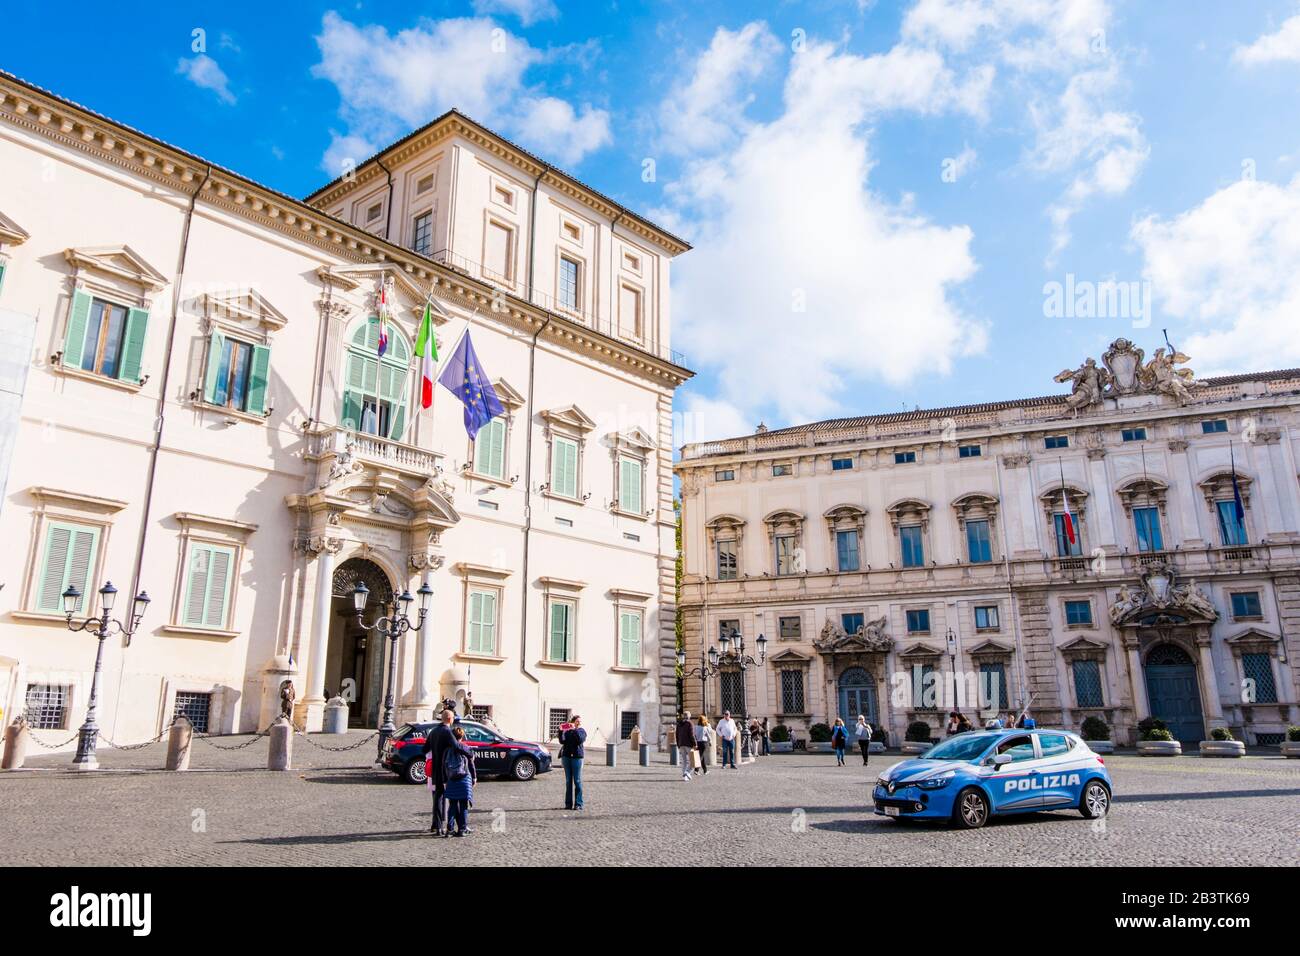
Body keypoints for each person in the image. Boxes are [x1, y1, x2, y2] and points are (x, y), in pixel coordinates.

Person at [420, 709, 457, 836]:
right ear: (450, 719)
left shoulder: (434, 731)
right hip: (445, 768)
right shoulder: (447, 731)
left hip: (435, 768)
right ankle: (440, 826)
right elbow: (456, 746)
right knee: (441, 798)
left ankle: (435, 824)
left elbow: (424, 749)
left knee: (437, 797)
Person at [443, 725, 477, 837]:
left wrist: (445, 780)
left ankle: (450, 830)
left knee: (452, 805)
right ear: (461, 736)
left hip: (451, 779)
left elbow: (444, 766)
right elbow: (471, 763)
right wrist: (474, 778)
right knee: (463, 805)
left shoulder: (447, 749)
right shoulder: (464, 747)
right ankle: (462, 829)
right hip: (464, 779)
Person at [558, 714, 587, 811]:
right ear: (573, 721)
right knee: (568, 781)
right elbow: (562, 741)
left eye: (580, 721)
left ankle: (578, 804)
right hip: (566, 757)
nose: (579, 723)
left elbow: (579, 739)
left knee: (577, 781)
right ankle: (568, 804)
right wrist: (561, 730)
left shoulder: (582, 731)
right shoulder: (568, 731)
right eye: (577, 721)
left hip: (577, 758)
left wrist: (574, 729)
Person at [675, 711, 696, 781]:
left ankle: (685, 776)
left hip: (681, 744)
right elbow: (691, 735)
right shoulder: (690, 723)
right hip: (688, 744)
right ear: (689, 716)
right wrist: (695, 744)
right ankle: (687, 772)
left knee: (684, 761)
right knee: (692, 761)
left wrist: (678, 744)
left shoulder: (679, 724)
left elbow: (677, 735)